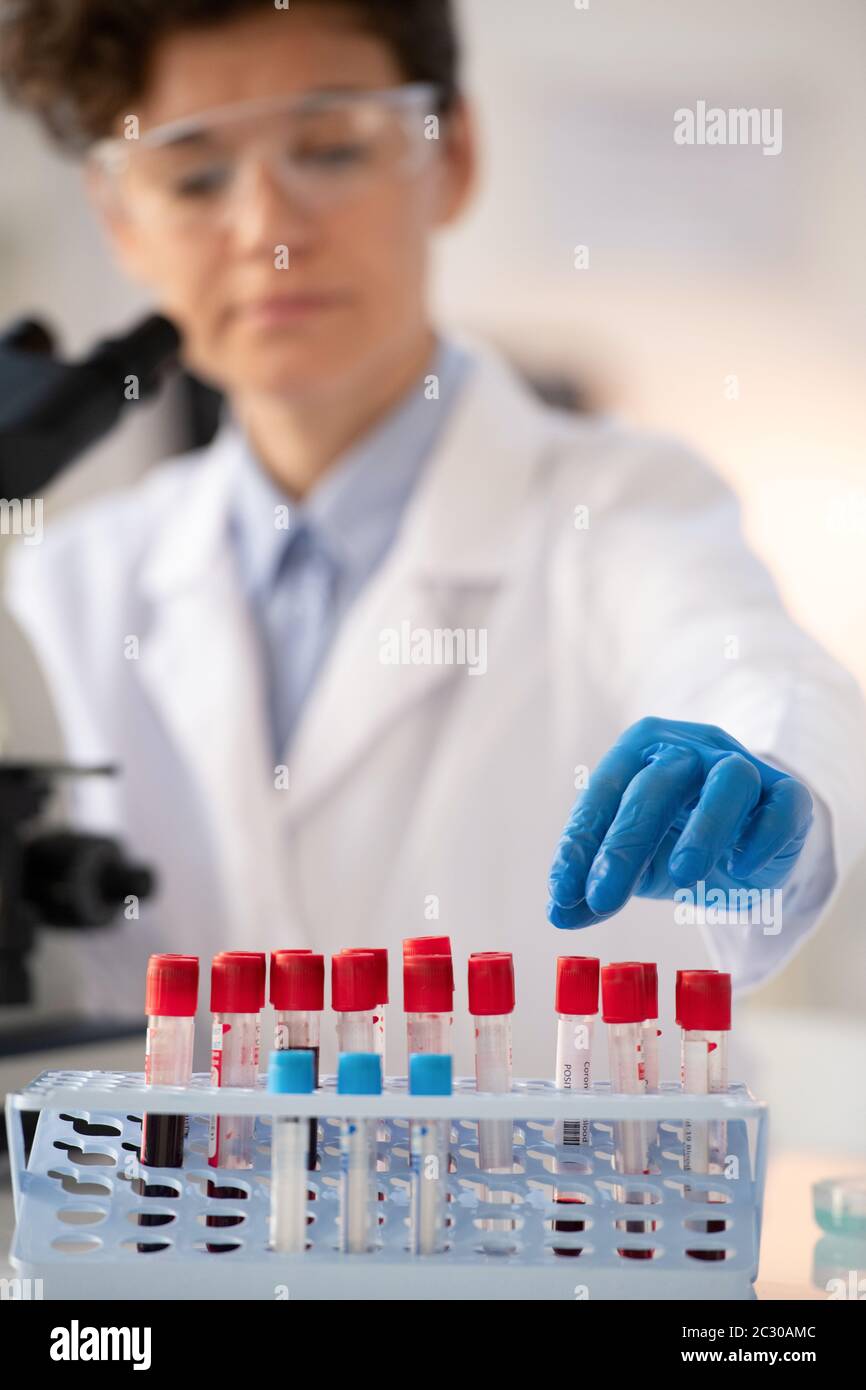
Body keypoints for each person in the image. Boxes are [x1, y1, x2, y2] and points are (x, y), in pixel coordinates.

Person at [1, 0, 864, 1075]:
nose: (269, 227)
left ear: (450, 157)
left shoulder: (621, 505)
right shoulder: (68, 585)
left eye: (329, 147)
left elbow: (749, 659)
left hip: (560, 1227)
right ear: (120, 218)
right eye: (193, 175)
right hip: (182, 1237)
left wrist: (768, 767)